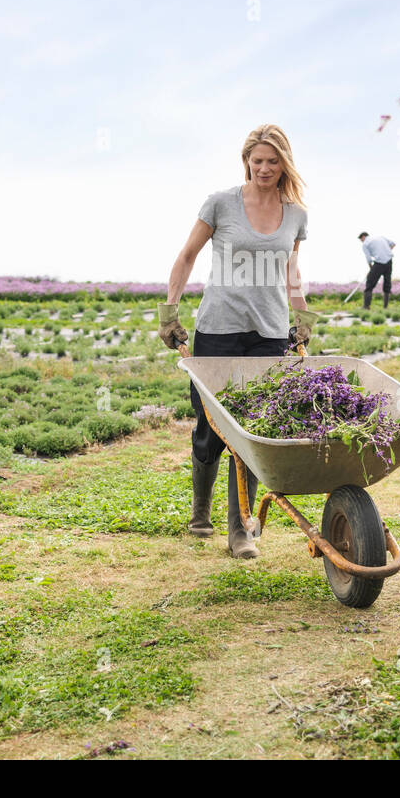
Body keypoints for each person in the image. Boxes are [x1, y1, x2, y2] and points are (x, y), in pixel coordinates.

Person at [159, 125, 322, 559]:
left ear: (284, 163)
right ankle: (200, 512)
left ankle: (240, 531)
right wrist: (169, 311)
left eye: (273, 161)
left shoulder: (296, 215)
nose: (265, 168)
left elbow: (292, 272)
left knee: (249, 430)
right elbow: (187, 255)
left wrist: (302, 316)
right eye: (258, 161)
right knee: (210, 428)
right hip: (218, 330)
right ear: (247, 161)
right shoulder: (220, 203)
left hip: (269, 333)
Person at [357, 231, 396, 309]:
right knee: (387, 283)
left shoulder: (365, 244)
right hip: (389, 261)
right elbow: (393, 244)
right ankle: (385, 307)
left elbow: (369, 259)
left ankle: (366, 306)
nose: (362, 242)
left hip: (379, 263)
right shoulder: (381, 237)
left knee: (369, 284)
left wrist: (371, 269)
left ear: (363, 237)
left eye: (361, 240)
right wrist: (386, 252)